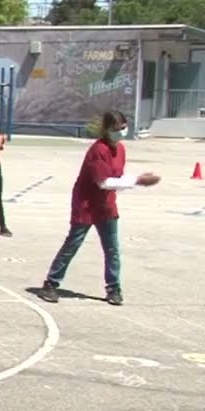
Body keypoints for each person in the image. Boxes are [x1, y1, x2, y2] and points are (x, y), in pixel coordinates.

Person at [34, 110, 159, 306]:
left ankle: (113, 287)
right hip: (87, 204)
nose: (121, 132)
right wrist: (138, 180)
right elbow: (103, 182)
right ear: (107, 130)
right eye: (117, 129)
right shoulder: (98, 150)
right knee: (73, 243)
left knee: (112, 249)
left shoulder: (121, 150)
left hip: (106, 205)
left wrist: (132, 182)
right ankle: (51, 283)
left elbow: (116, 180)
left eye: (123, 128)